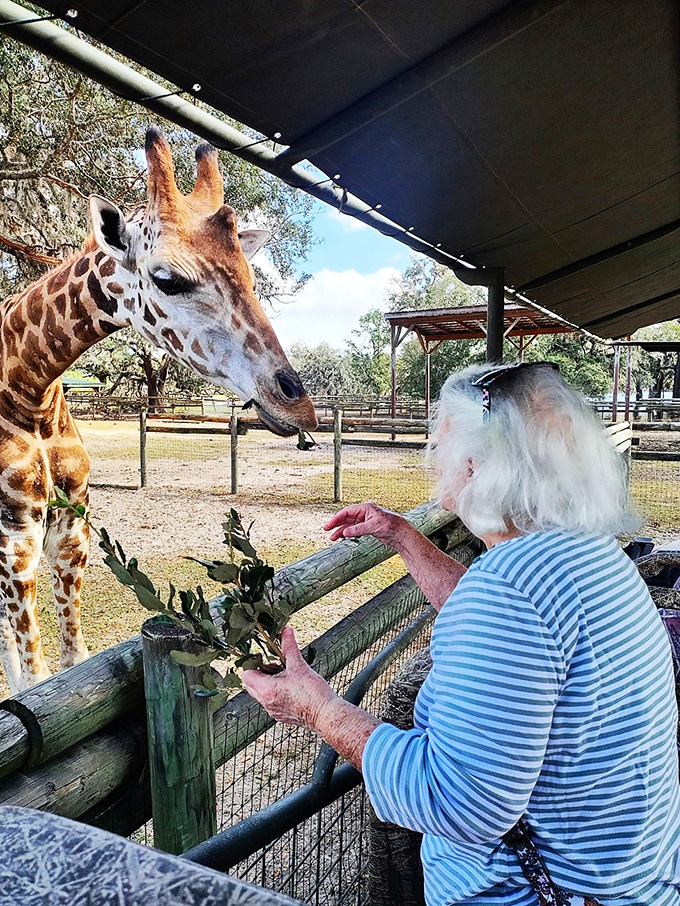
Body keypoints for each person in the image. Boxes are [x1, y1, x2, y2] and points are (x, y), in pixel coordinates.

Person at [243, 362, 680, 906]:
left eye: (442, 446)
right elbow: (509, 644)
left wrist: (318, 710)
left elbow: (458, 801)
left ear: (474, 466)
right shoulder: (586, 554)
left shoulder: (509, 591)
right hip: (629, 883)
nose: (435, 464)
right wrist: (401, 534)